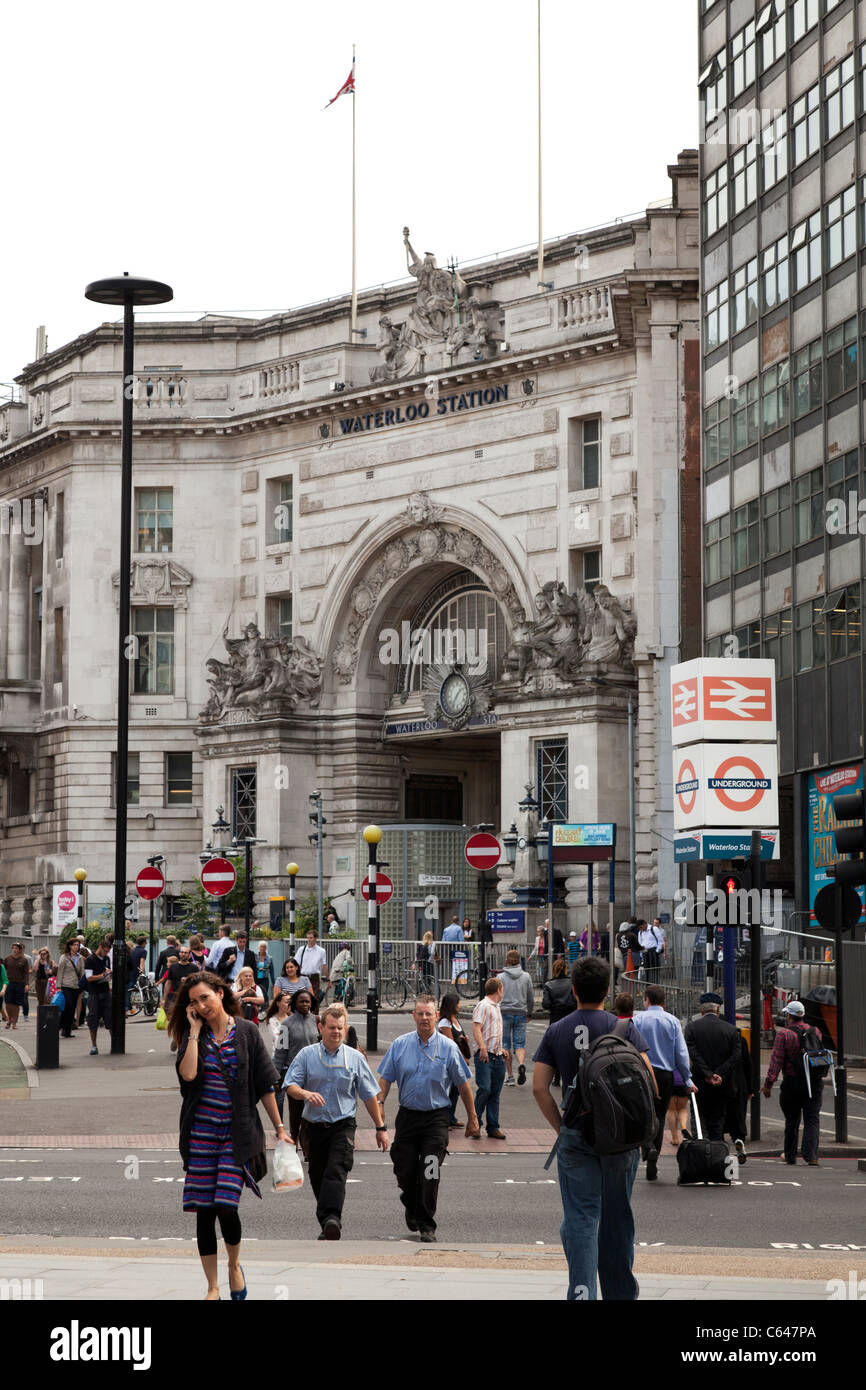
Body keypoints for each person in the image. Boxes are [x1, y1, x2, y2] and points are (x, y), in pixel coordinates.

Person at [532, 956, 655, 1301]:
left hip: (576, 1134)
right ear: (607, 991)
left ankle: (583, 1293)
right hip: (618, 1137)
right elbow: (650, 1082)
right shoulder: (624, 1028)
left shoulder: (557, 1030)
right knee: (617, 1218)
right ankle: (620, 1294)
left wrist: (561, 1126)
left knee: (581, 1218)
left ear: (573, 991)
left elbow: (540, 1087)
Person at [171, 969, 289, 1299]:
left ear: (220, 994)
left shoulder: (248, 1033)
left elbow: (265, 1086)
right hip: (200, 1135)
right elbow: (189, 1076)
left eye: (205, 998)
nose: (201, 1005)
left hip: (237, 1135)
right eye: (194, 1002)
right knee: (204, 1211)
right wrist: (194, 1031)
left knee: (226, 1205)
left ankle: (234, 1265)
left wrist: (280, 1128)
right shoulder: (193, 1037)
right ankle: (212, 1287)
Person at [378, 996, 478, 1240]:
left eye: (428, 1014)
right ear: (414, 1016)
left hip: (436, 1119)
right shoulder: (400, 1045)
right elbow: (385, 1080)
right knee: (405, 1170)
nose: (424, 1018)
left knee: (430, 1171)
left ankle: (426, 1224)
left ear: (436, 1017)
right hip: (408, 1117)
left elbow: (463, 1086)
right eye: (420, 1014)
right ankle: (411, 1202)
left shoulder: (448, 1048)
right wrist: (379, 1107)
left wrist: (473, 1118)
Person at [285, 1002, 387, 1239]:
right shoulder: (307, 1055)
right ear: (321, 1027)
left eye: (340, 1028)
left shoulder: (355, 1058)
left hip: (343, 1125)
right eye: (332, 1027)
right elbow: (290, 1085)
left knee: (336, 1170)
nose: (337, 1032)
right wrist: (305, 1094)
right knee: (318, 1176)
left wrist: (380, 1127)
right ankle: (327, 1222)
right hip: (313, 1127)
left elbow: (369, 1096)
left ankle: (333, 1218)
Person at [632, 985, 696, 1181]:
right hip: (665, 1076)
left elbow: (631, 1047)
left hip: (642, 1071)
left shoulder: (637, 1019)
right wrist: (687, 1078)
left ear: (647, 1000)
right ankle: (654, 1156)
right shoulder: (673, 1021)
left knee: (643, 1112)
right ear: (664, 1003)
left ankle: (647, 1146)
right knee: (659, 1114)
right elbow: (681, 1053)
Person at [762, 1000, 822, 1166]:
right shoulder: (815, 1031)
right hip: (813, 1082)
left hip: (793, 1082)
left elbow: (776, 1062)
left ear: (789, 1015)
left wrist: (768, 1085)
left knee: (792, 1120)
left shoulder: (783, 1034)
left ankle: (790, 1155)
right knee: (812, 1119)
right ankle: (812, 1156)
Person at [684, 992, 743, 1142]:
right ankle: (717, 1152)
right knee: (718, 1119)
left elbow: (694, 1055)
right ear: (718, 1010)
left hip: (699, 1081)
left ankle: (701, 1148)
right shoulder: (732, 1030)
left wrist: (708, 1073)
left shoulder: (691, 1028)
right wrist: (719, 1074)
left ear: (701, 1010)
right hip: (722, 1084)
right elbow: (735, 1057)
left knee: (698, 1116)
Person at [272, 990, 318, 1135]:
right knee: (295, 1112)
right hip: (293, 1074)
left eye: (307, 1001)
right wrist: (276, 1077)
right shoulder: (286, 1024)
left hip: (314, 1073)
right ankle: (294, 1141)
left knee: (310, 1112)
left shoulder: (317, 1021)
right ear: (294, 1004)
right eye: (301, 1001)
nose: (305, 1004)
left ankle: (307, 1147)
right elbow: (280, 1051)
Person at [471, 976, 508, 1139]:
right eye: (502, 989)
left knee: (495, 1093)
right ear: (499, 989)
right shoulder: (483, 1005)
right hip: (485, 1055)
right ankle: (475, 1123)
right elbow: (477, 1028)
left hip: (497, 1055)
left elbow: (493, 1031)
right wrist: (482, 1048)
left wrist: (502, 1049)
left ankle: (493, 1127)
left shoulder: (496, 1007)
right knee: (485, 1089)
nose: (503, 991)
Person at [498, 949, 534, 1087]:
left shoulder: (500, 978)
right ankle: (521, 1064)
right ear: (519, 961)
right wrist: (529, 1013)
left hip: (505, 1012)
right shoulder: (526, 976)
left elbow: (497, 997)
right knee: (519, 1044)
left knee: (505, 1045)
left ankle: (510, 1077)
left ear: (507, 961)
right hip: (521, 1013)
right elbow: (530, 997)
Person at [437, 993, 471, 1126]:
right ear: (452, 1005)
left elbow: (456, 1038)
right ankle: (445, 1119)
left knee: (455, 1090)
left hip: (456, 1058)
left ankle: (451, 1117)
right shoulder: (445, 1022)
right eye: (457, 1003)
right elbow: (450, 1043)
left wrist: (464, 1039)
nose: (459, 1006)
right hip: (448, 1060)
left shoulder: (454, 1019)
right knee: (449, 1090)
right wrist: (463, 1059)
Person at [84, 938, 113, 1054]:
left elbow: (105, 971)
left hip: (105, 991)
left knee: (109, 1018)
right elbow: (89, 977)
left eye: (107, 952)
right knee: (93, 1019)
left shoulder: (106, 959)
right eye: (105, 951)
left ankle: (113, 1044)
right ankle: (94, 1046)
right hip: (94, 992)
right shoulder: (90, 960)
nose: (106, 954)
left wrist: (108, 973)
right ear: (100, 947)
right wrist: (102, 975)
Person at [56, 939, 85, 1038]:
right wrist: (58, 986)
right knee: (68, 1006)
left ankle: (67, 1031)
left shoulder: (80, 958)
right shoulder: (64, 957)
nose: (76, 947)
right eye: (74, 945)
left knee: (72, 1009)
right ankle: (59, 1027)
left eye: (78, 945)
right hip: (66, 985)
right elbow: (60, 972)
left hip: (76, 986)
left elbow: (82, 972)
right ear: (69, 946)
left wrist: (83, 985)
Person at [3, 943, 31, 1030]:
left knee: (16, 1004)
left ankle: (14, 1022)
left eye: (16, 948)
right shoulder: (7, 959)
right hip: (9, 983)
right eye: (13, 948)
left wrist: (26, 984)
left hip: (20, 984)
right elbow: (3, 970)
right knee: (8, 1003)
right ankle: (9, 1019)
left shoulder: (24, 960)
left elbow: (26, 973)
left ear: (20, 950)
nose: (14, 950)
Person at [295, 930, 328, 1000]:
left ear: (316, 938)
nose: (309, 940)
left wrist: (328, 979)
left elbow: (324, 965)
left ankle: (314, 1011)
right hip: (303, 976)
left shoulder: (321, 951)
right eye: (308, 938)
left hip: (314, 977)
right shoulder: (301, 949)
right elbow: (295, 964)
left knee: (314, 998)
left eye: (311, 938)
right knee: (302, 998)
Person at [543, 958, 574, 1024]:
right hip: (570, 1016)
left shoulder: (548, 984)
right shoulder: (572, 983)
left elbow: (546, 1004)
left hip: (555, 1017)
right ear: (565, 969)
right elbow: (576, 1000)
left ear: (553, 970)